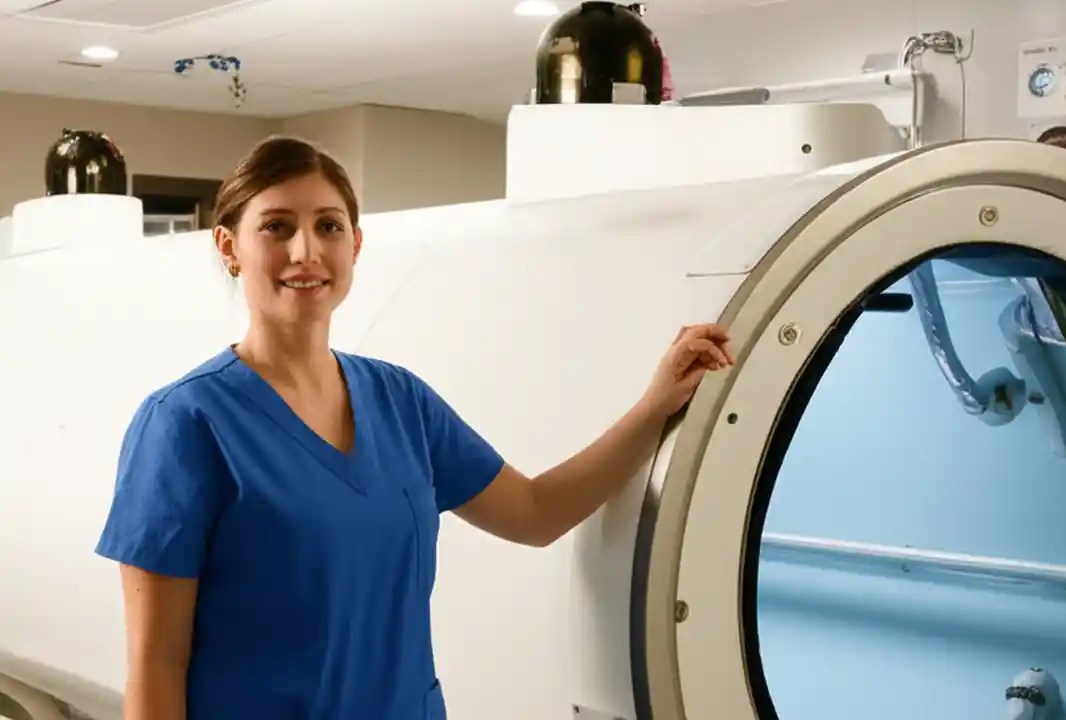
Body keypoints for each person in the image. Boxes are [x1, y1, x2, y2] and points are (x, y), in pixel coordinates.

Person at [94, 136, 735, 720]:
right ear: (229, 246)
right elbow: (157, 664)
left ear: (355, 245)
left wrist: (656, 406)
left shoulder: (399, 401)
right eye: (277, 227)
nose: (305, 252)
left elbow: (537, 512)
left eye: (328, 226)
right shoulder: (186, 423)